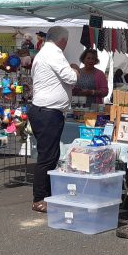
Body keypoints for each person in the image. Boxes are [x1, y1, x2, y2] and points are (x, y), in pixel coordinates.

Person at [26, 26, 78, 213]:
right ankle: (39, 198)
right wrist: (75, 69)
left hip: (42, 110)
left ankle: (45, 195)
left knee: (49, 155)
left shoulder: (42, 53)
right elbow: (71, 78)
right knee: (47, 157)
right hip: (48, 112)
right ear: (62, 40)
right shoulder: (54, 53)